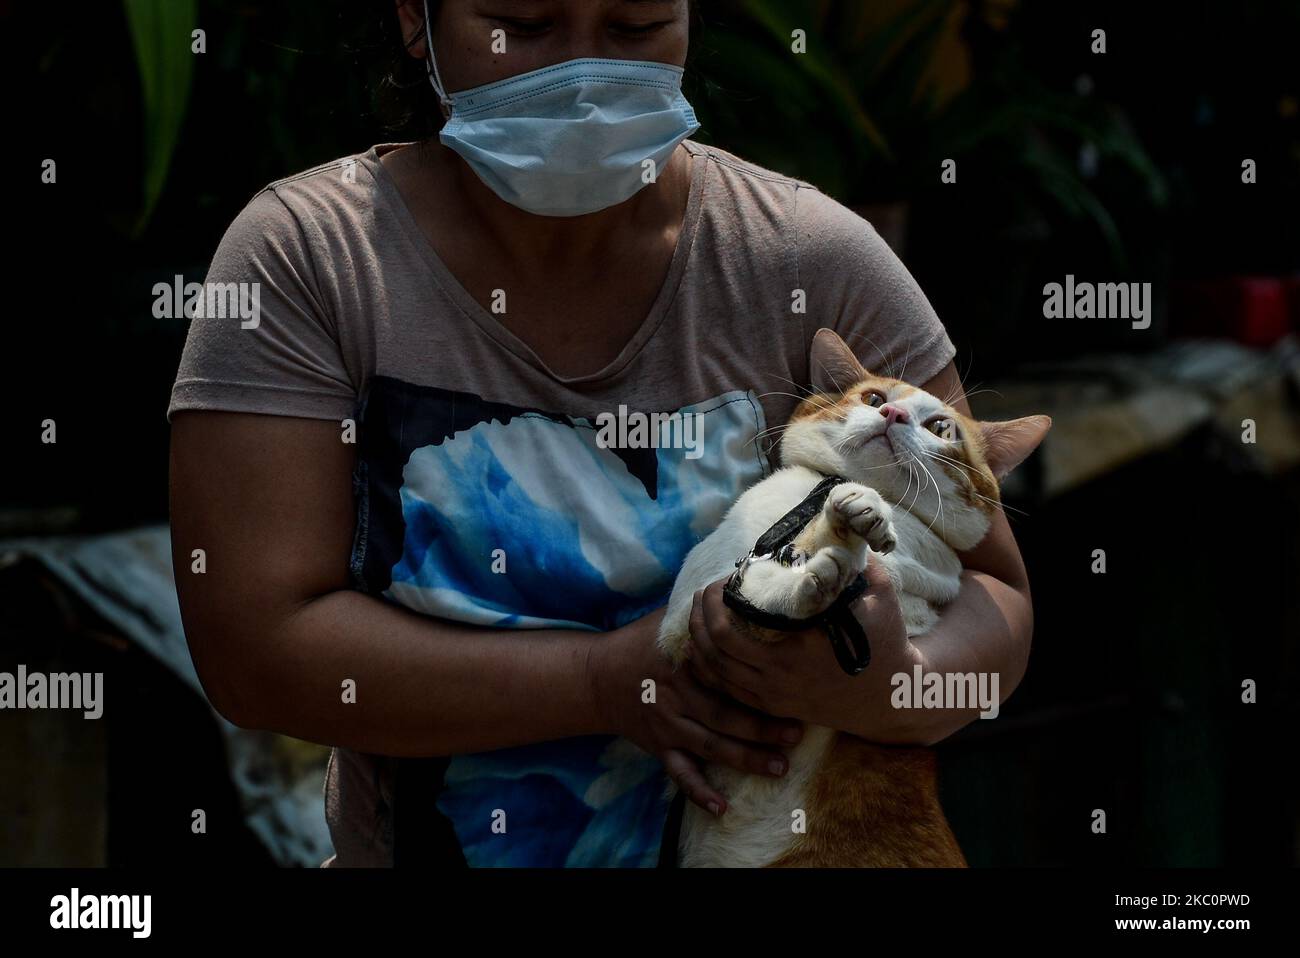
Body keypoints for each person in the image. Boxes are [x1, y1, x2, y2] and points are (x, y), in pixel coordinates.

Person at [168, 0, 1034, 867]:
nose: (584, 78)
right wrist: (602, 683)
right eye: (526, 24)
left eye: (634, 27)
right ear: (413, 18)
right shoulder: (310, 259)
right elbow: (254, 650)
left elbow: (1000, 597)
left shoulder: (814, 263)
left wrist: (890, 683)